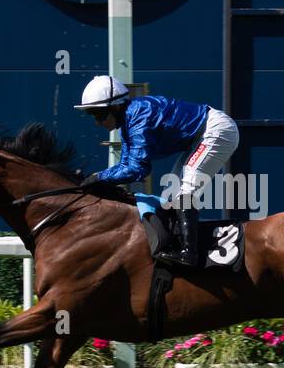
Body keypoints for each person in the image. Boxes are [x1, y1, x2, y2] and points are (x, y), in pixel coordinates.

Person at [75, 75, 239, 267]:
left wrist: (99, 178)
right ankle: (182, 245)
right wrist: (97, 178)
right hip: (201, 135)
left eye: (99, 114)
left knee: (186, 190)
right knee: (172, 195)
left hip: (216, 131)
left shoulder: (139, 115)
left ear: (117, 106)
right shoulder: (127, 123)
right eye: (92, 115)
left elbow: (138, 169)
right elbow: (125, 166)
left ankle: (189, 253)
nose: (97, 122)